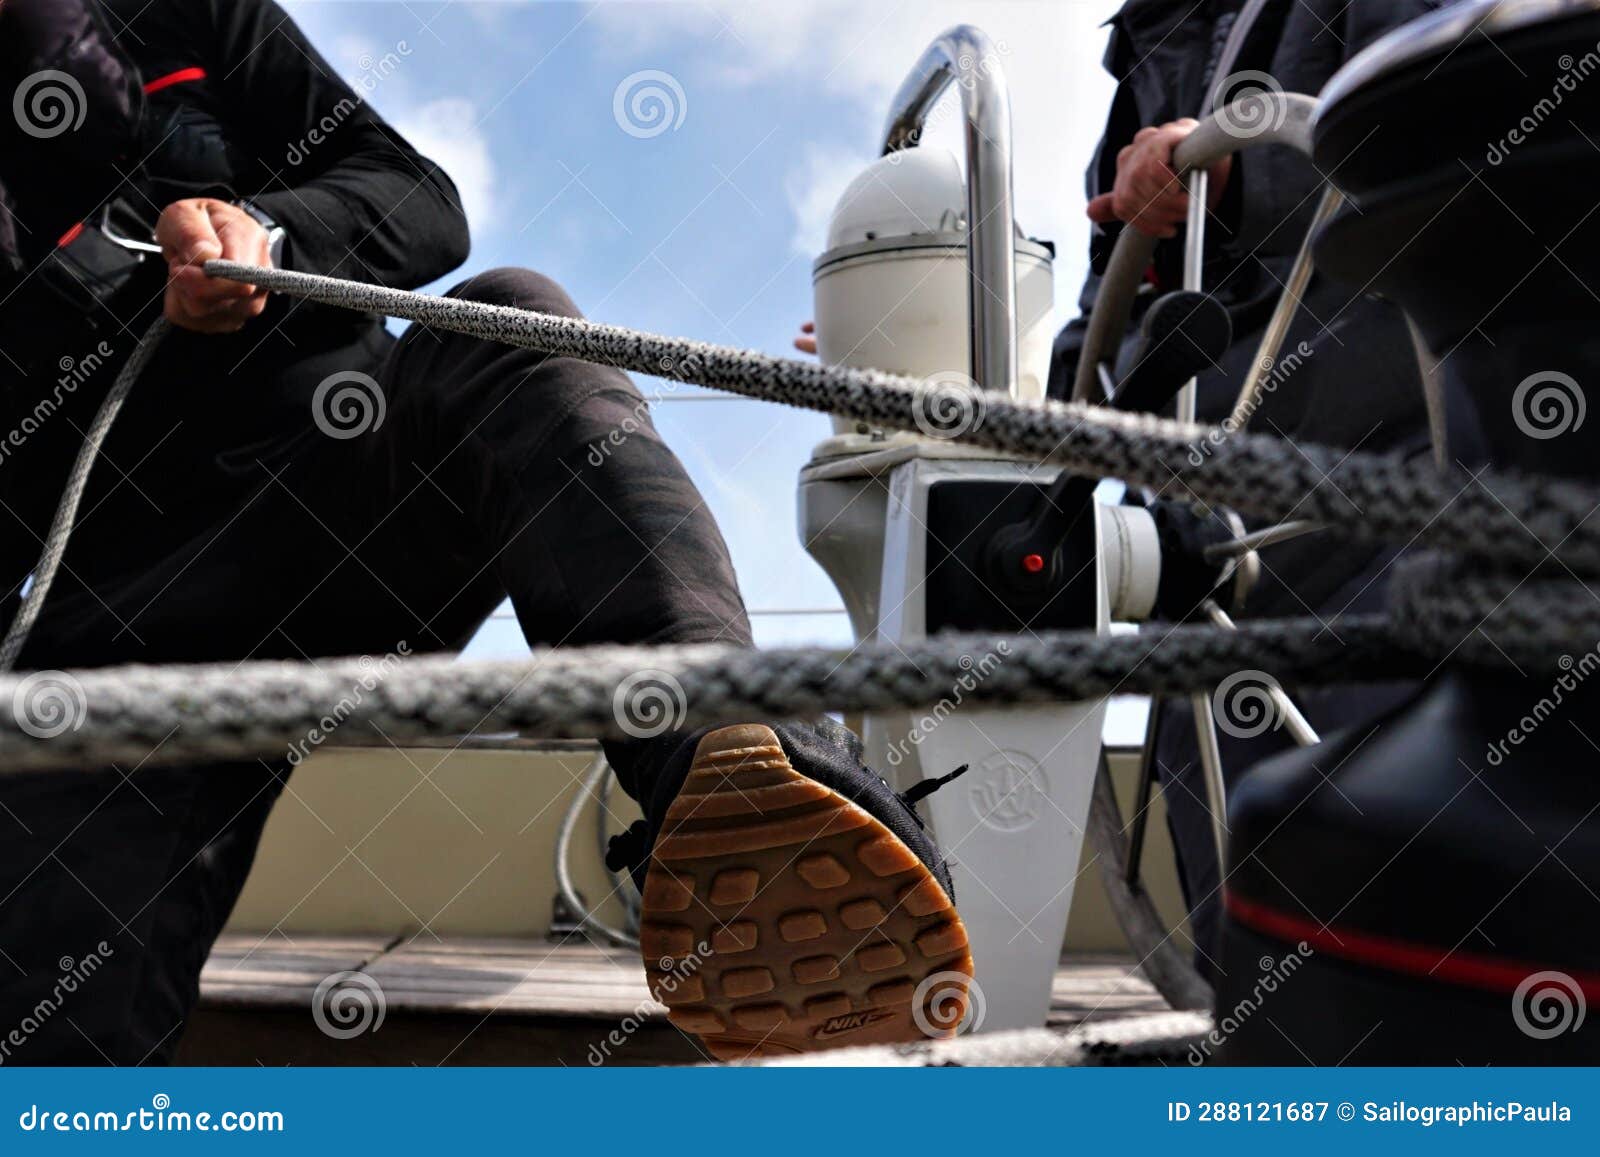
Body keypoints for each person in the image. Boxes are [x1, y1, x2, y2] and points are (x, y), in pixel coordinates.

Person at [0, 0, 969, 1063]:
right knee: (53, 1041)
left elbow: (421, 203)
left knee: (518, 327)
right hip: (106, 630)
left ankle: (725, 767)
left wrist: (268, 231)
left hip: (350, 491)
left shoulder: (191, 15)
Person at [1049, 0, 1453, 982]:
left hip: (1395, 490)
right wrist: (950, 396)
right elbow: (1114, 296)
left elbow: (1451, 121)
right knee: (1241, 915)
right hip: (1208, 555)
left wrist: (1233, 177)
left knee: (1421, 870)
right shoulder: (1146, 45)